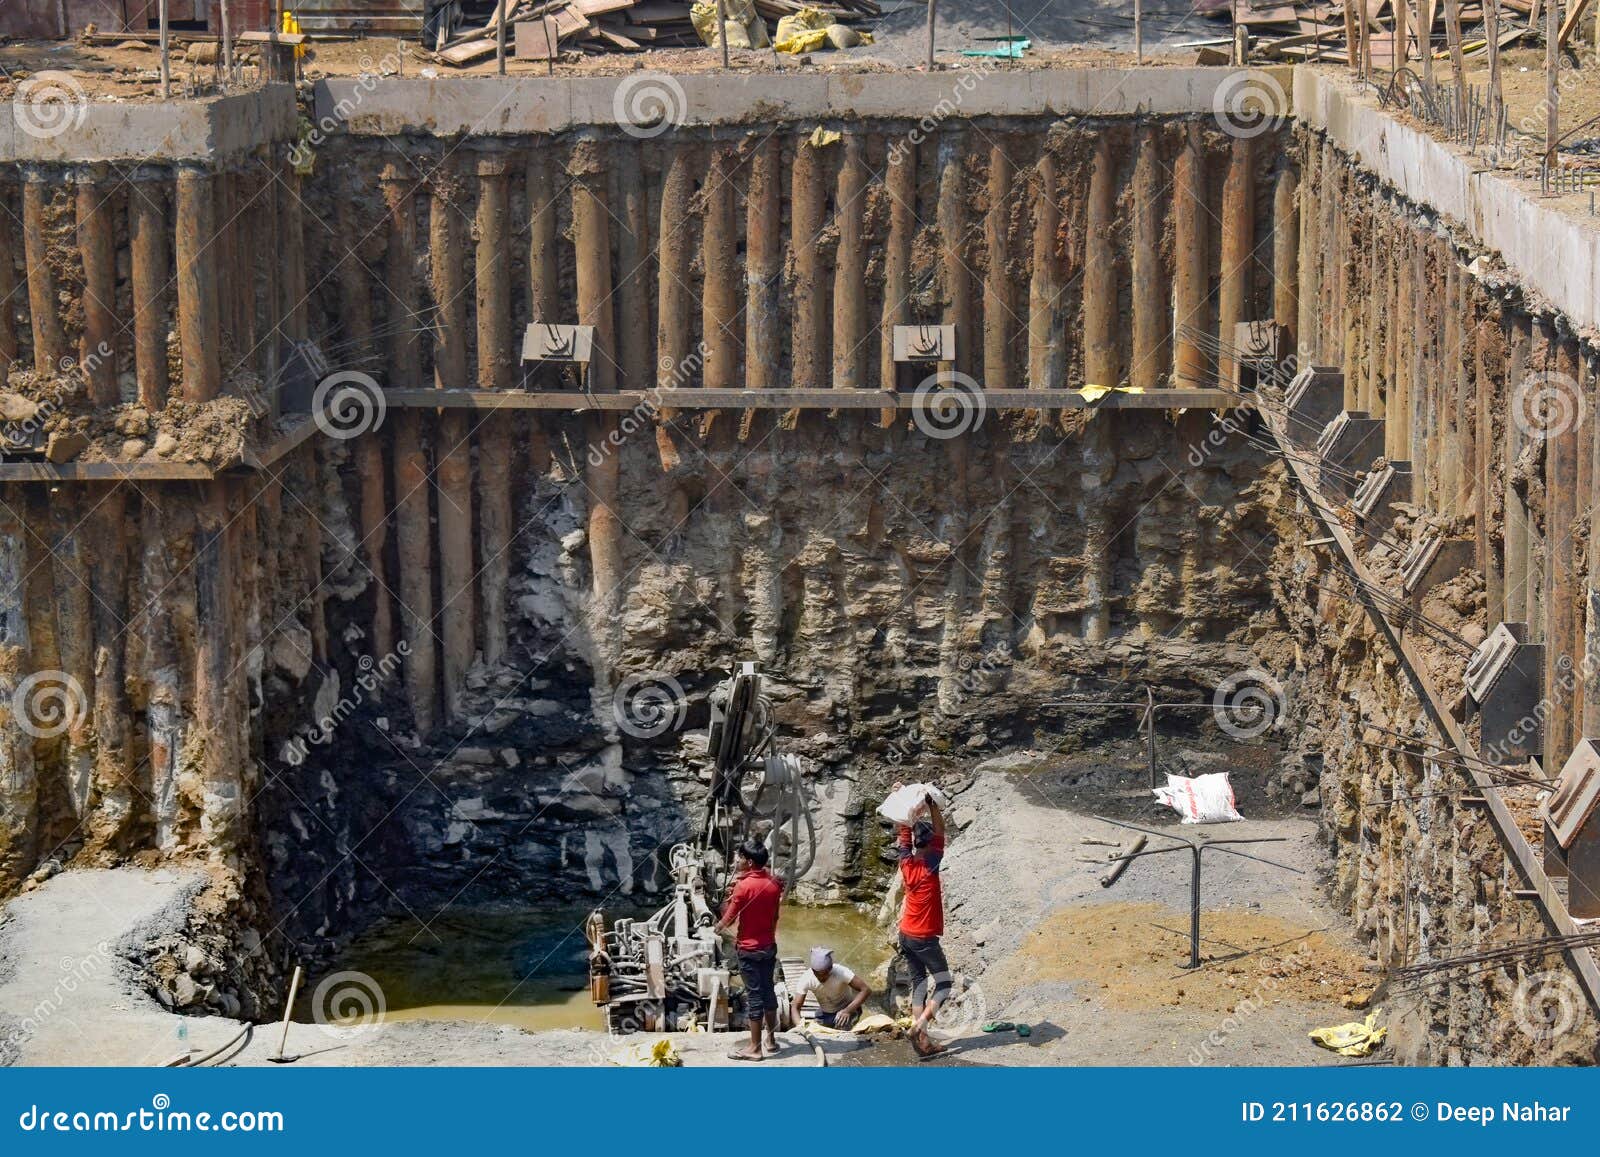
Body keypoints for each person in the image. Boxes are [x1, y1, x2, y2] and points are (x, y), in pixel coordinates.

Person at [894, 786, 951, 1059]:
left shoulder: (906, 862)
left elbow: (903, 833)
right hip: (923, 936)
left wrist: (902, 799)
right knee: (944, 984)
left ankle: (924, 1043)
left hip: (905, 933)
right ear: (929, 845)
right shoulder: (931, 863)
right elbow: (941, 832)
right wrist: (932, 806)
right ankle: (920, 1026)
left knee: (918, 983)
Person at [716, 840, 783, 1060]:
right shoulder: (773, 882)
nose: (736, 859)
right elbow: (774, 916)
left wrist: (715, 929)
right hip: (768, 947)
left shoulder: (743, 886)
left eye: (740, 857)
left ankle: (754, 1048)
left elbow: (729, 917)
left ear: (750, 861)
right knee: (768, 991)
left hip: (748, 949)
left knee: (754, 996)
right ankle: (771, 1041)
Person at [789, 947, 871, 1030]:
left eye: (825, 974)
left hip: (848, 1009)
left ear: (830, 968)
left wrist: (848, 1010)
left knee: (842, 1032)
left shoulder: (841, 972)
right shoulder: (806, 978)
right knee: (815, 1031)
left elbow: (865, 990)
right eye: (817, 974)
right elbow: (795, 1007)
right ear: (813, 970)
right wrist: (800, 1026)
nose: (821, 977)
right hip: (826, 1013)